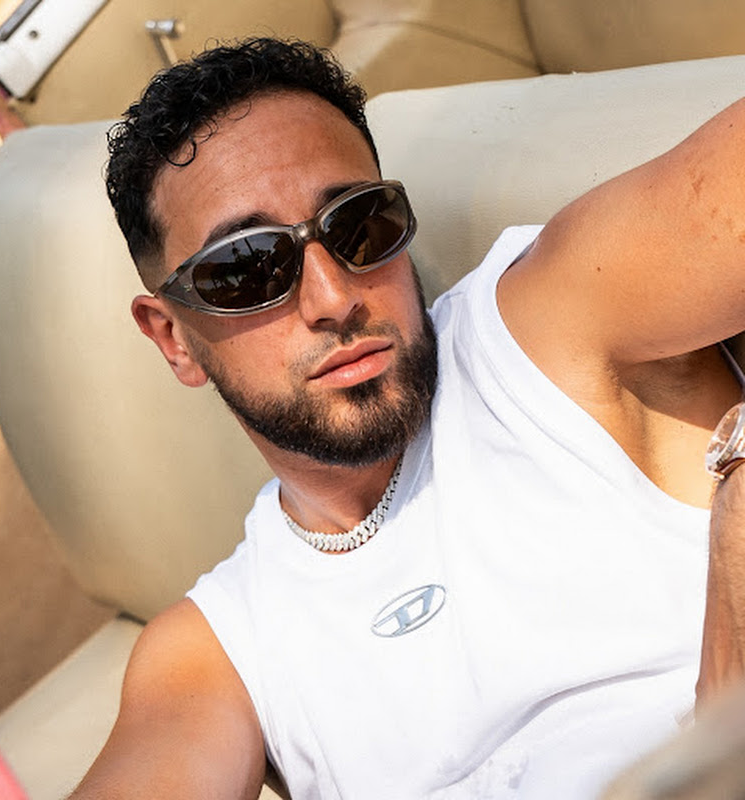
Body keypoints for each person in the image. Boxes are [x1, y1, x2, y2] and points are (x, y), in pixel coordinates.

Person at [71, 37, 745, 799]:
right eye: (248, 268)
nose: (334, 299)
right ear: (173, 338)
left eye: (358, 225)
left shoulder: (546, 329)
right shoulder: (222, 648)